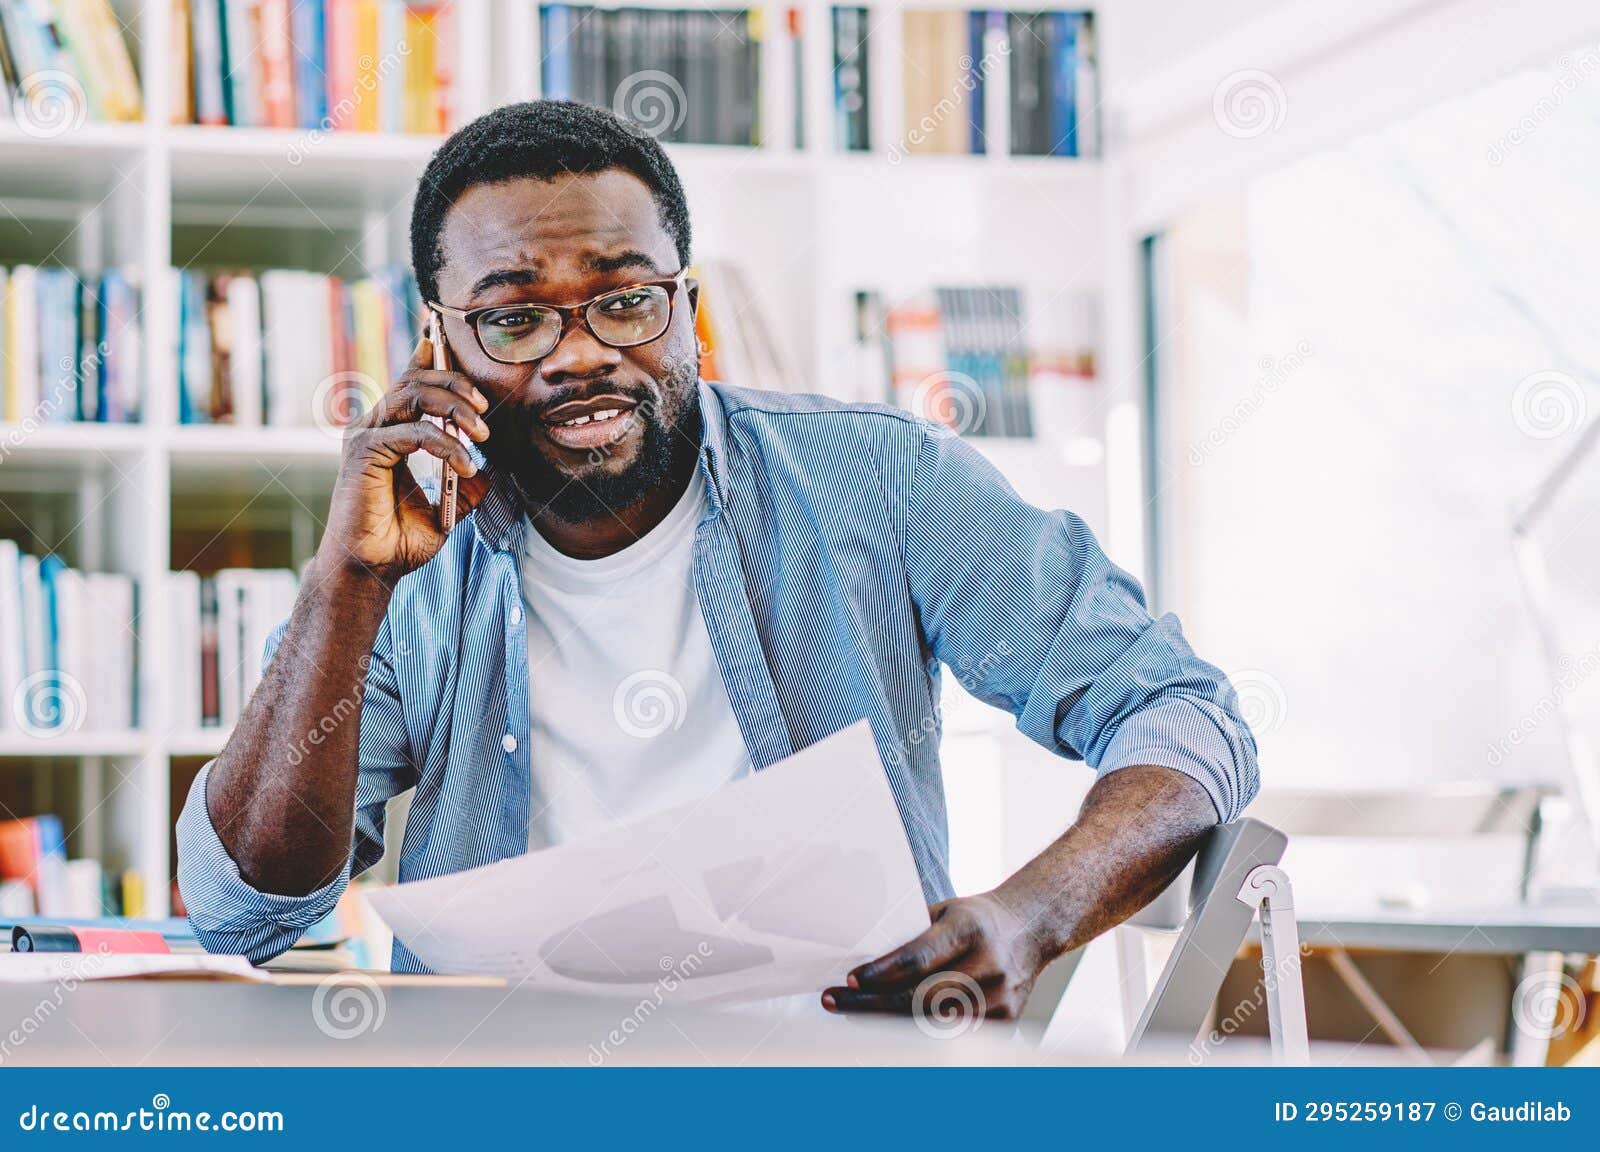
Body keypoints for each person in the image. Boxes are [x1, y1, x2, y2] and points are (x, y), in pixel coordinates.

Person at [177, 100, 1258, 1020]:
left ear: (688, 310)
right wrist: (347, 583)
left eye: (626, 297)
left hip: (833, 1087)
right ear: (438, 346)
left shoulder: (880, 481)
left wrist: (1030, 912)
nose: (582, 351)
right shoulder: (410, 569)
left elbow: (1178, 711)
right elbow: (248, 906)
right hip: (506, 1100)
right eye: (513, 319)